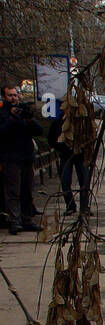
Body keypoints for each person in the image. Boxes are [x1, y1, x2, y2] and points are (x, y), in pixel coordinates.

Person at [0, 83, 42, 234]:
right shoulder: (3, 114)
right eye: (10, 95)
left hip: (27, 157)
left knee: (27, 191)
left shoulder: (23, 111)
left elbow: (38, 130)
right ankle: (14, 221)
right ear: (4, 97)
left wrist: (29, 119)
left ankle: (27, 219)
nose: (13, 98)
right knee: (13, 192)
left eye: (15, 95)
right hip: (11, 158)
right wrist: (13, 119)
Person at [48, 101, 89, 215]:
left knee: (84, 181)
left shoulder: (81, 122)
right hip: (66, 156)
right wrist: (62, 147)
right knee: (65, 181)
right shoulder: (58, 123)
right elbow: (51, 139)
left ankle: (84, 207)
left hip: (81, 156)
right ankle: (70, 206)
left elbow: (89, 136)